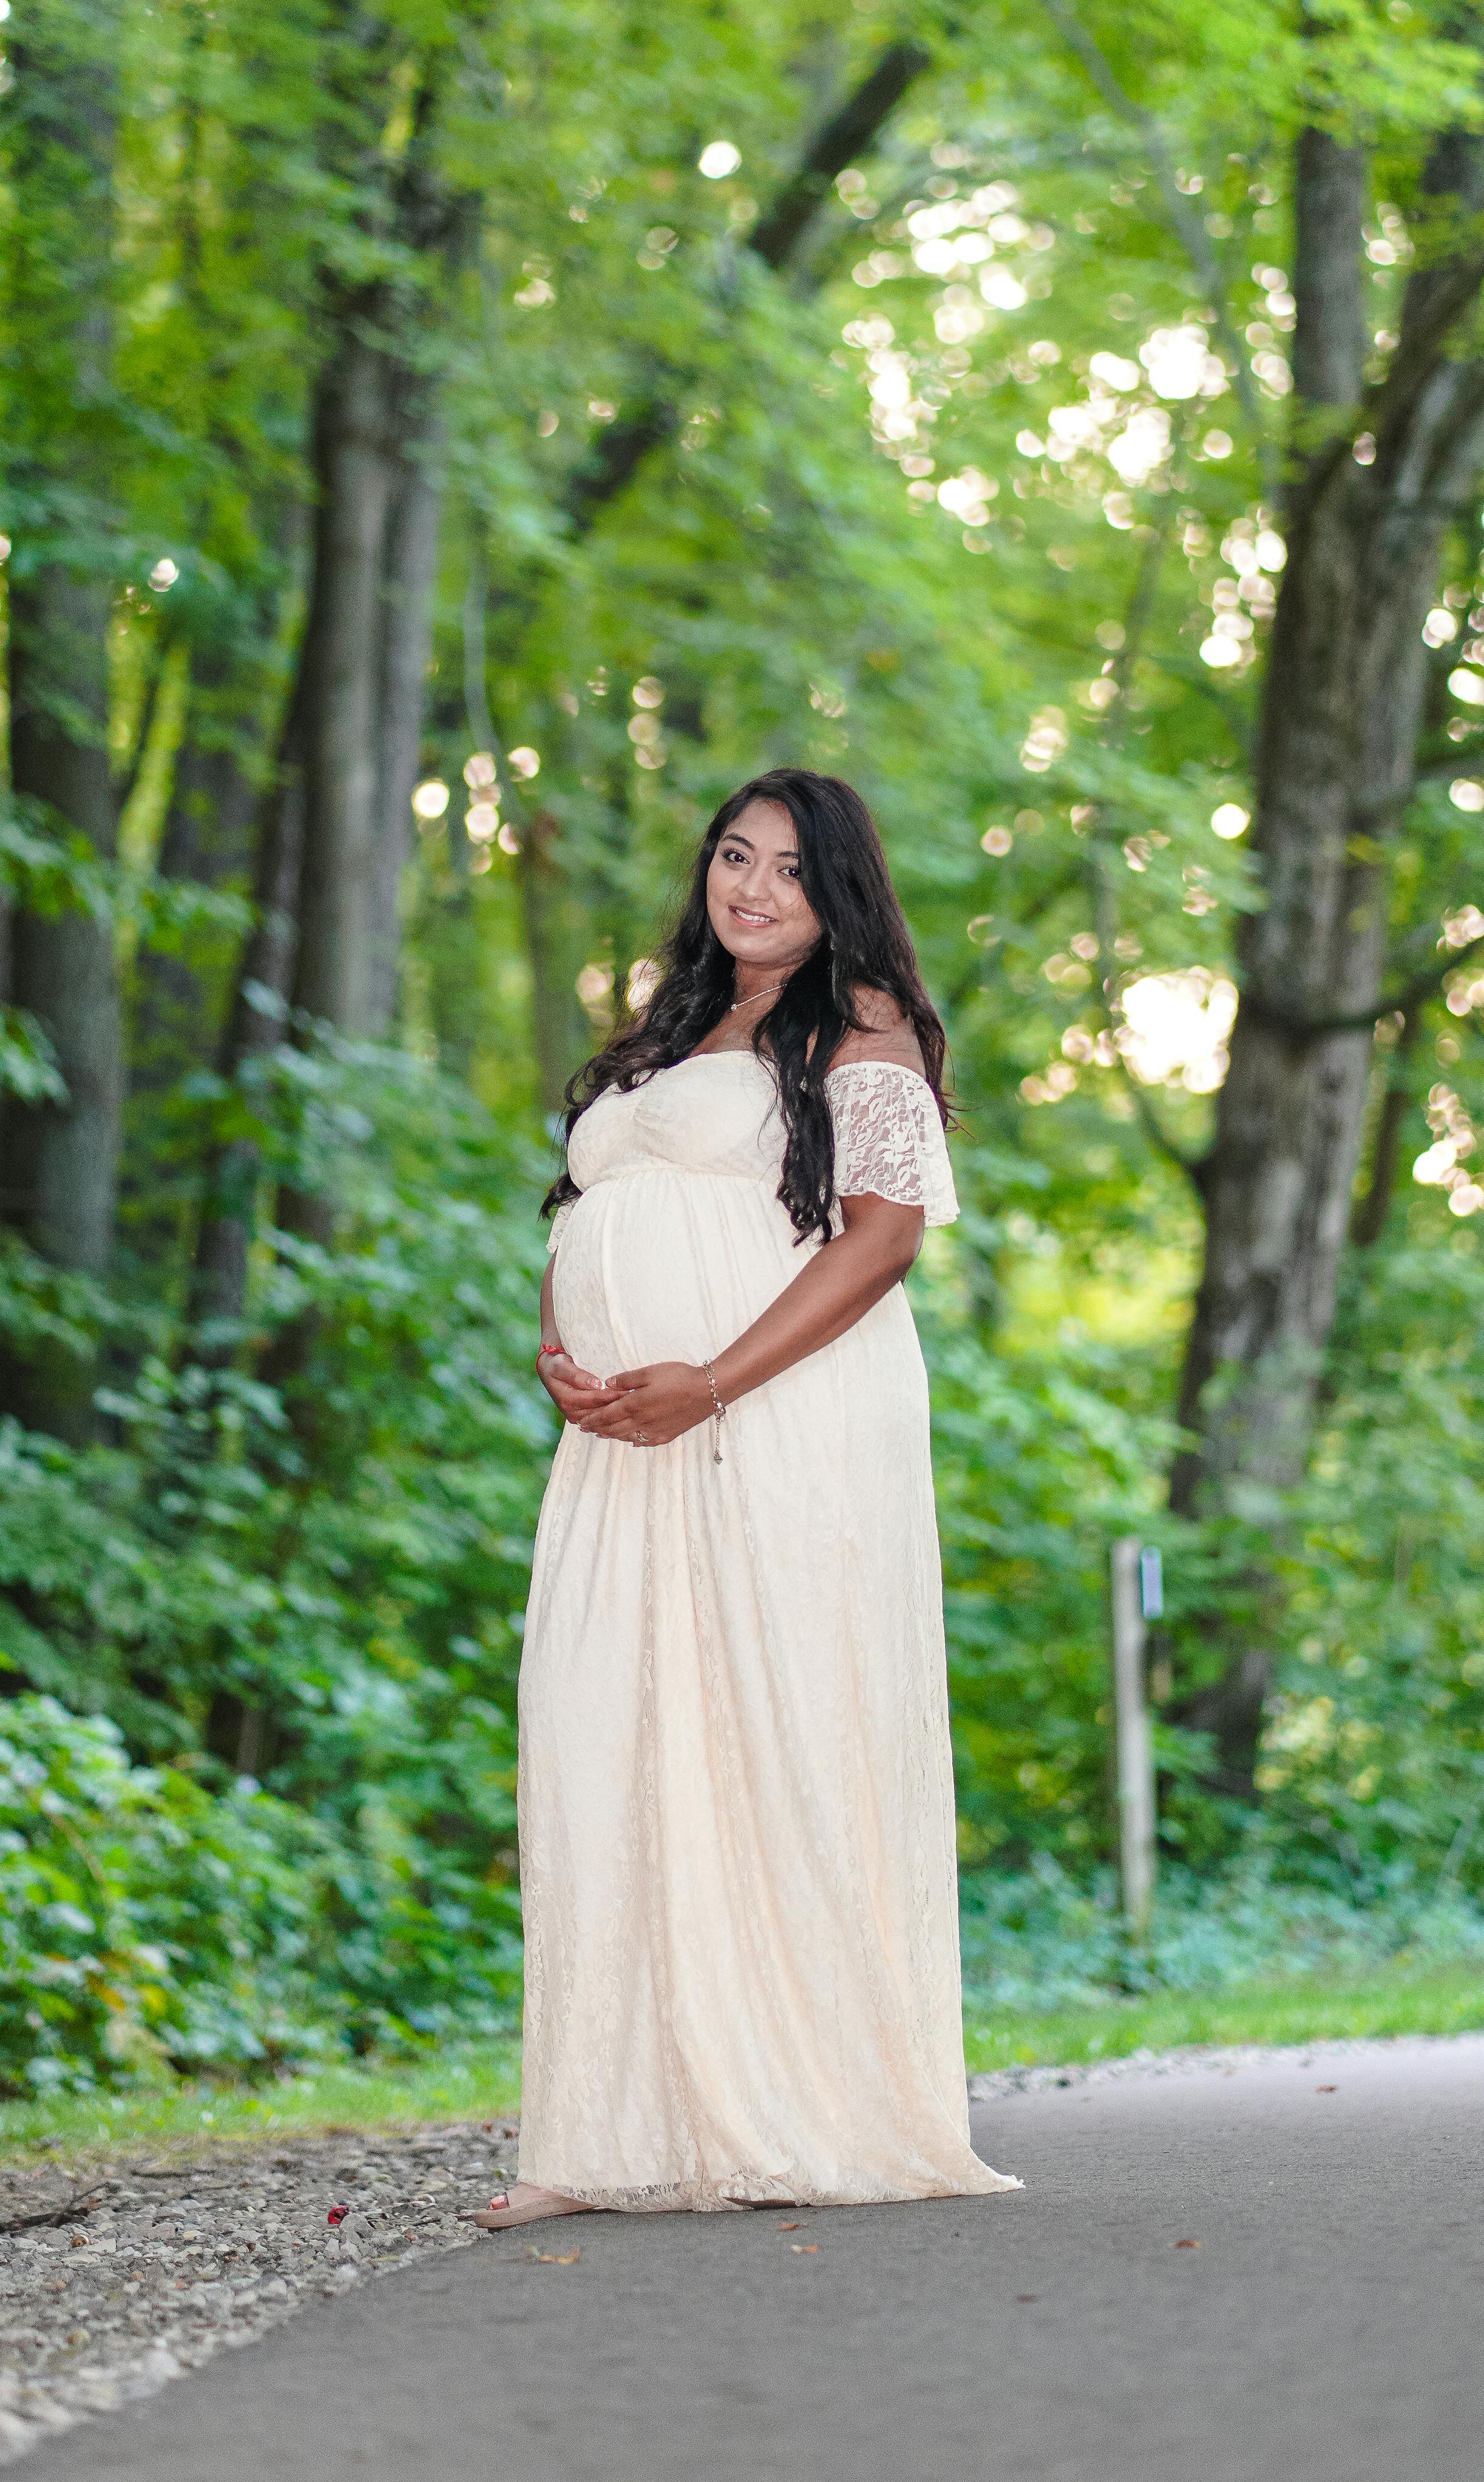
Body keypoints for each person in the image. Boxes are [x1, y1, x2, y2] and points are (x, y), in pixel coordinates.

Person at [473, 769, 1017, 2227]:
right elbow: (593, 1207)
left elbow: (884, 1238)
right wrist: (559, 1338)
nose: (752, 885)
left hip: (772, 1421)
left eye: (786, 865)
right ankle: (592, 2136)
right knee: (607, 1735)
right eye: (732, 855)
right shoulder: (665, 1032)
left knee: (768, 1727)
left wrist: (707, 1380)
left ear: (837, 888)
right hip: (622, 1439)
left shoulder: (860, 1025)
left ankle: (797, 2108)